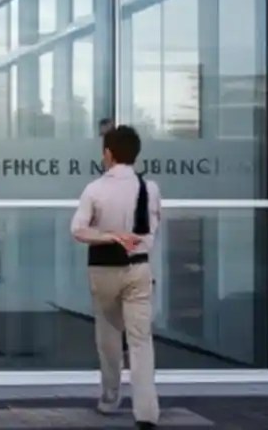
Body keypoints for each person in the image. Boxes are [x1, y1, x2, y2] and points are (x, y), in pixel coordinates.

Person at [70, 125, 162, 430]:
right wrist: (131, 239)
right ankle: (146, 412)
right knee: (141, 340)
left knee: (108, 337)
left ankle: (110, 399)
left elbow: (78, 230)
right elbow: (151, 230)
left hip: (103, 269)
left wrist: (109, 236)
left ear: (108, 154)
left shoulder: (95, 189)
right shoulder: (150, 189)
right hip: (139, 268)